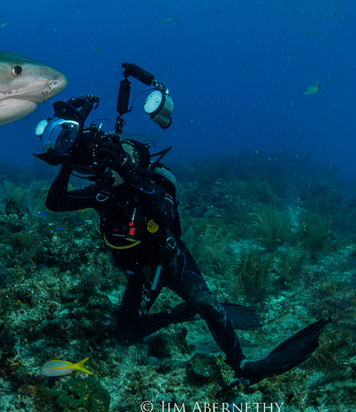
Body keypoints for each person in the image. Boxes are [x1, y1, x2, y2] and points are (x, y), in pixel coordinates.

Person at [37, 95, 330, 391]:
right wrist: (69, 160)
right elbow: (55, 201)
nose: (110, 170)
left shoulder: (152, 183)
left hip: (170, 258)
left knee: (207, 302)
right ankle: (180, 313)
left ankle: (242, 363)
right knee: (125, 335)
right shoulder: (102, 193)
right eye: (108, 163)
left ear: (135, 159)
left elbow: (165, 214)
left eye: (121, 159)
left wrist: (130, 171)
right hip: (140, 272)